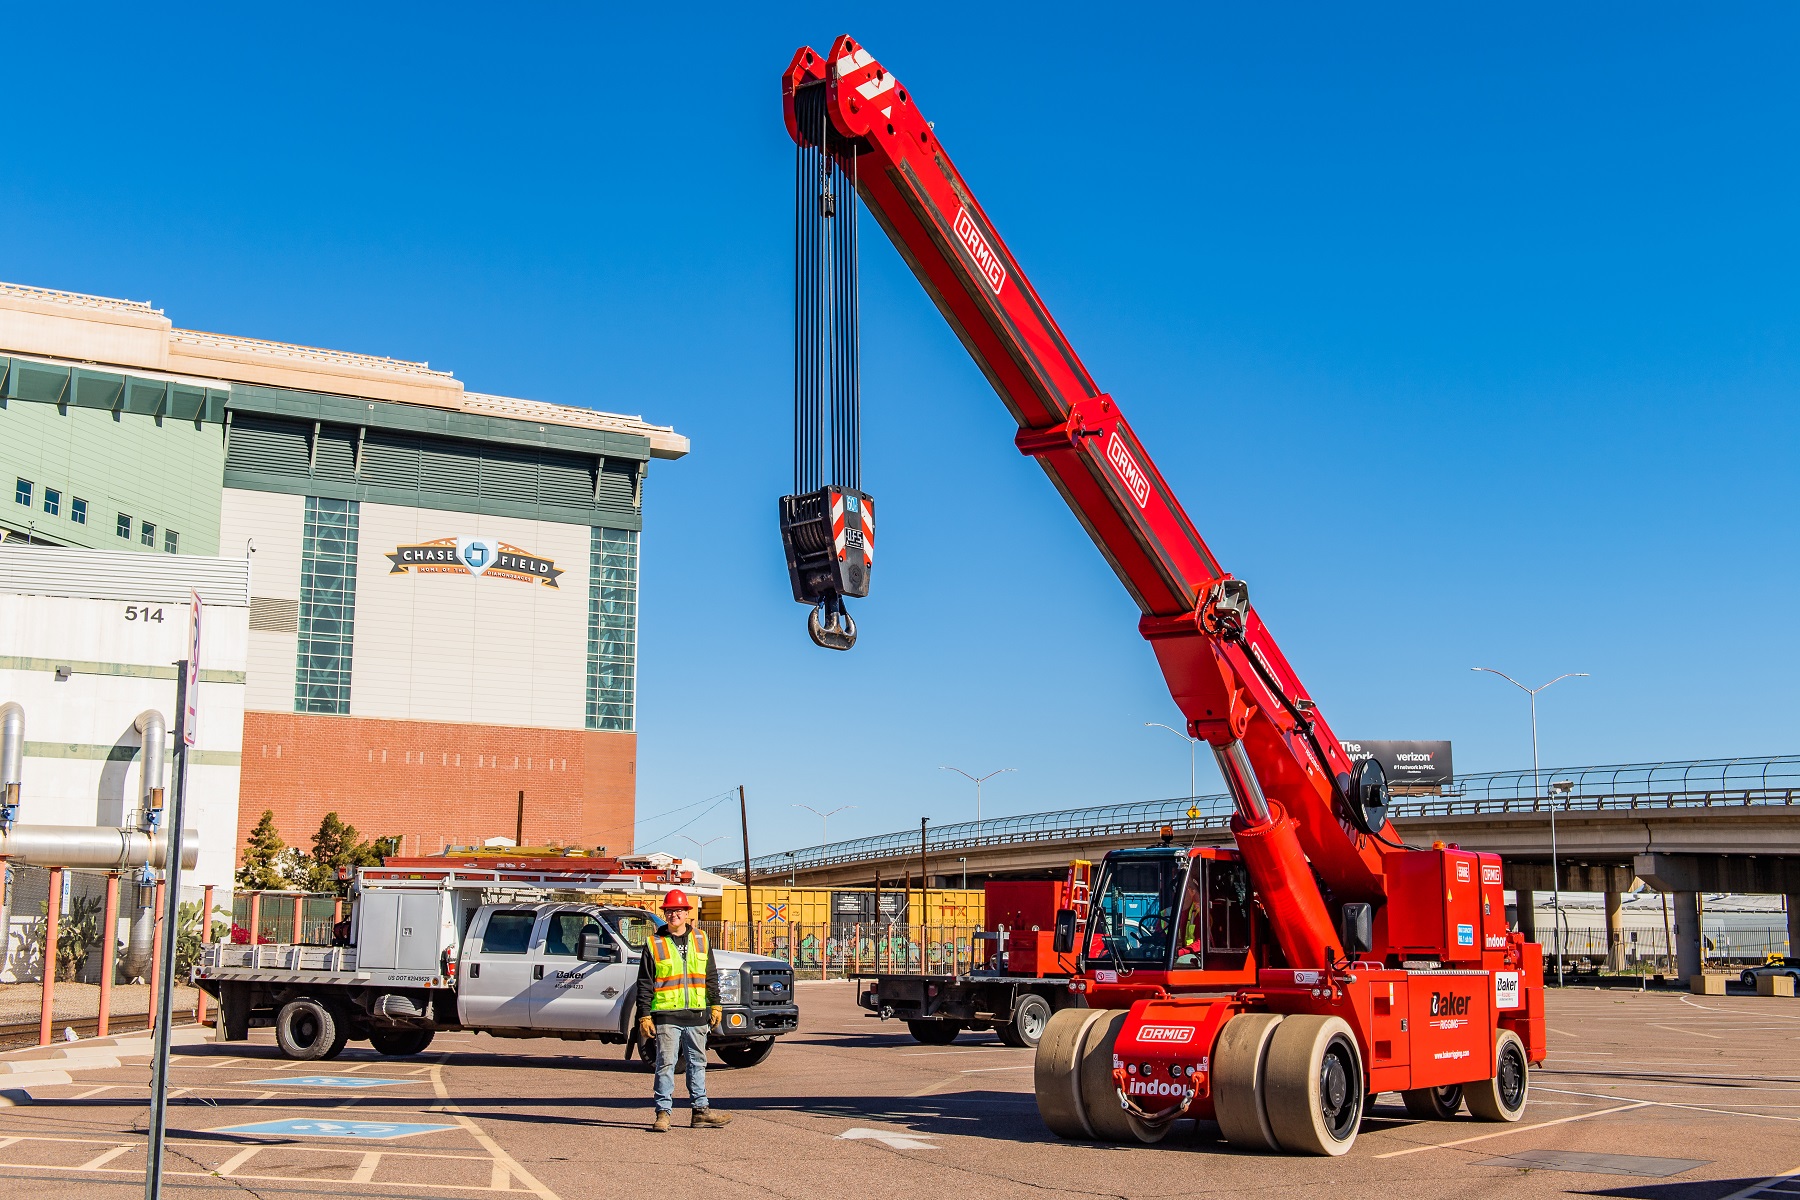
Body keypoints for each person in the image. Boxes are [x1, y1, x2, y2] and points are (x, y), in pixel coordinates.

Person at [636, 889, 732, 1132]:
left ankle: (700, 1111)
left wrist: (716, 1003)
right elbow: (645, 983)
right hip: (667, 1015)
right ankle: (663, 1114)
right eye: (669, 911)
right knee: (665, 1064)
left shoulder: (701, 939)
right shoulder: (654, 943)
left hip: (697, 1015)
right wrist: (644, 1014)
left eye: (677, 910)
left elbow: (710, 975)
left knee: (697, 1063)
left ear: (687, 913)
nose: (673, 914)